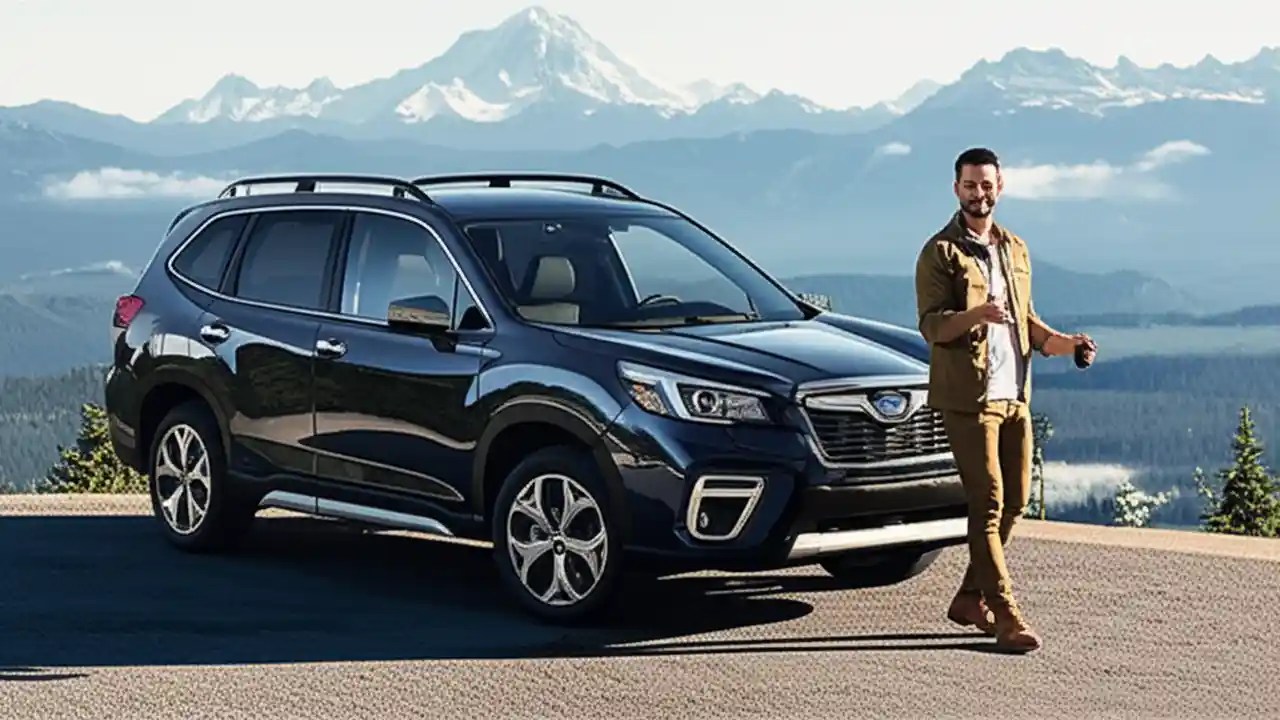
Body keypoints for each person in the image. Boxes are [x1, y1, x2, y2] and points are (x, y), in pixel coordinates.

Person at [913, 147, 1096, 653]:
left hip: (1014, 395)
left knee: (1015, 501)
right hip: (969, 399)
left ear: (1001, 186)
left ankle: (969, 598)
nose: (979, 194)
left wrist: (1068, 345)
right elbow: (931, 327)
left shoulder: (1014, 248)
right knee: (988, 502)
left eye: (987, 185)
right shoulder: (940, 252)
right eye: (970, 185)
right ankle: (1006, 614)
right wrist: (976, 316)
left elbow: (1026, 321)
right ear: (956, 188)